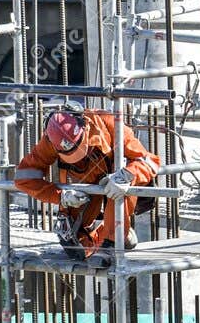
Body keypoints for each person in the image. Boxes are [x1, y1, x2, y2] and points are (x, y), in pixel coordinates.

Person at [14, 108, 161, 261]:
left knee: (116, 194)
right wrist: (62, 196)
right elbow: (24, 179)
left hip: (115, 181)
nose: (77, 157)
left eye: (79, 148)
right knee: (76, 248)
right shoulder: (50, 140)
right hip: (84, 184)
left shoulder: (108, 123)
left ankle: (115, 238)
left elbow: (149, 161)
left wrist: (127, 175)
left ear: (85, 126)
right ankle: (102, 235)